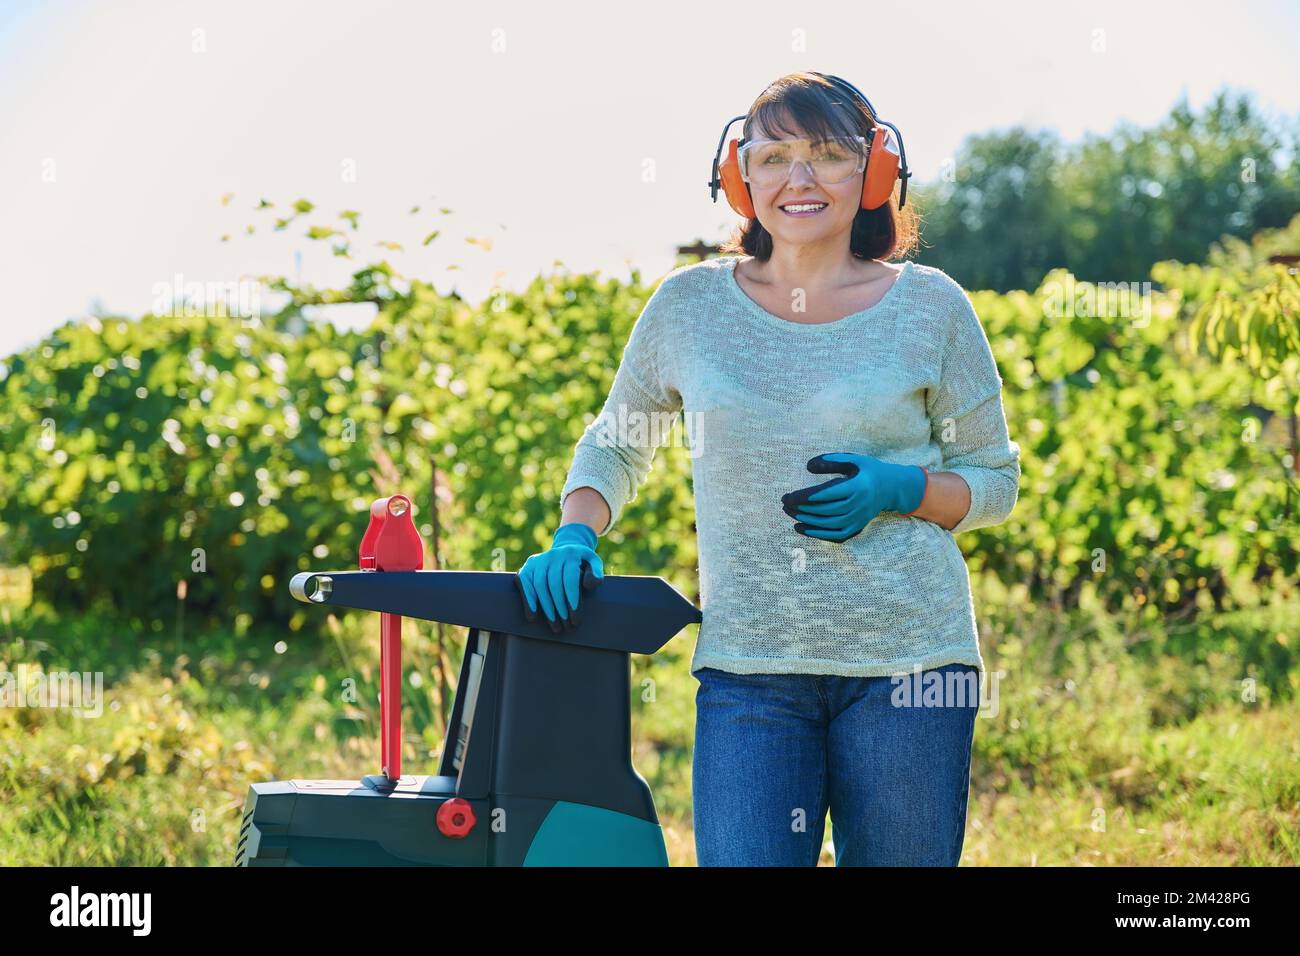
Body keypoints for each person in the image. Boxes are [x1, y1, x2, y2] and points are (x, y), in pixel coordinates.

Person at [515, 72, 1020, 866]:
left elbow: (994, 480)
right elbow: (617, 443)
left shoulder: (933, 308)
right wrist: (575, 534)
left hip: (913, 666)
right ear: (739, 175)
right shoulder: (688, 308)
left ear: (876, 172)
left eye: (827, 154)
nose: (800, 177)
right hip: (750, 670)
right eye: (776, 154)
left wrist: (905, 489)